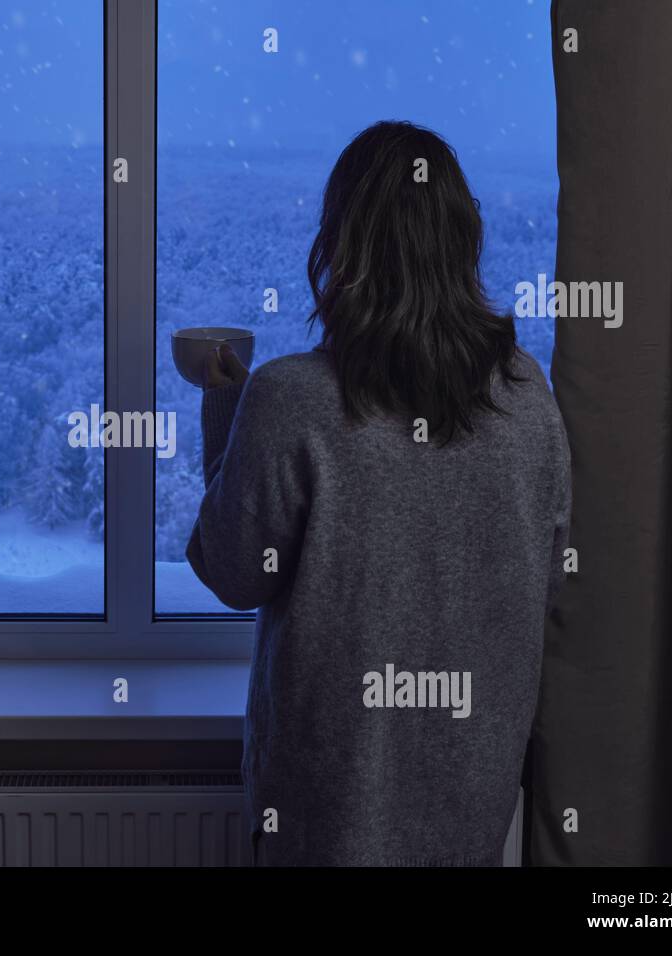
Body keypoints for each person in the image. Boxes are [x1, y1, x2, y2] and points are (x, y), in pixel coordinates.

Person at [187, 120, 571, 866]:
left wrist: (225, 409)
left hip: (323, 816)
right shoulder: (529, 396)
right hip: (471, 809)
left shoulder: (291, 398)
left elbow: (233, 570)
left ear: (340, 248)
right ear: (463, 241)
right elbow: (547, 572)